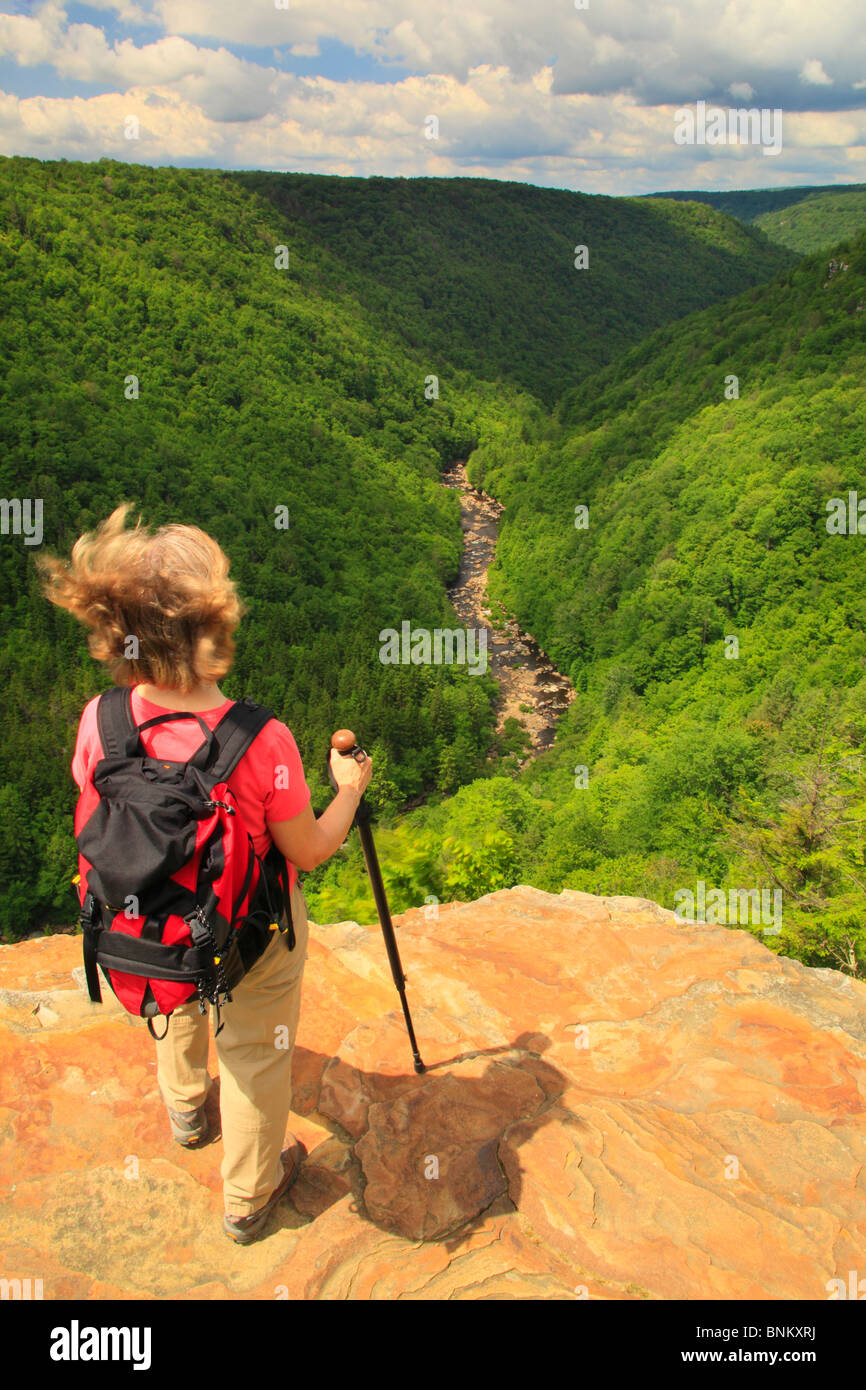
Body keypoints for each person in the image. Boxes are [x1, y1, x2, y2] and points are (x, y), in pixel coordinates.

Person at [37, 503, 372, 1244]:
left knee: (177, 977)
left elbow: (97, 811)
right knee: (254, 1052)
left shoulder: (104, 720)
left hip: (146, 919)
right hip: (249, 932)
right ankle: (249, 1199)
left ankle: (188, 1109)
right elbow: (308, 848)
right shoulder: (261, 739)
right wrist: (348, 788)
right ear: (214, 625)